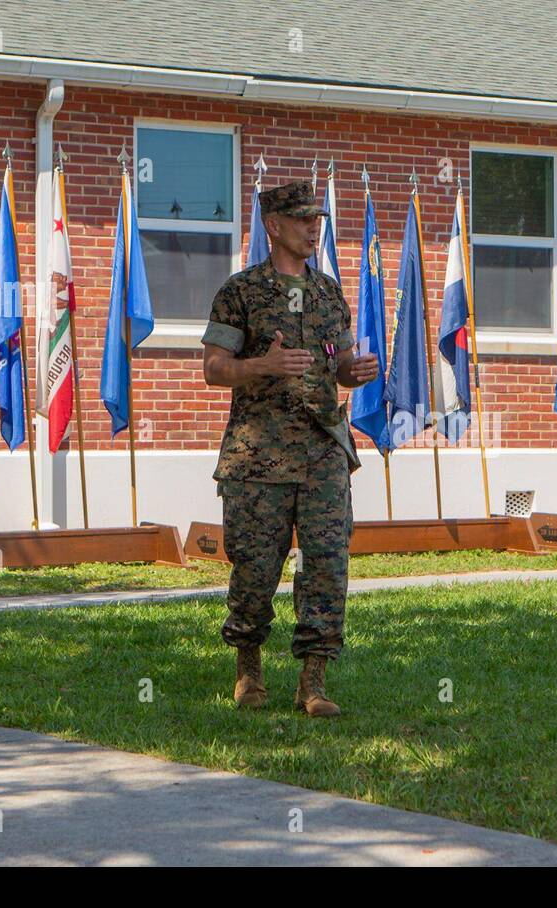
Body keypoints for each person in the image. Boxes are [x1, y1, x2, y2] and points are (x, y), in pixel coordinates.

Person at [201, 180, 379, 716]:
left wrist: (356, 372)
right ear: (273, 226)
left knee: (327, 564)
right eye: (302, 219)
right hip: (260, 456)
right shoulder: (240, 292)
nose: (313, 228)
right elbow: (213, 369)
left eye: (316, 219)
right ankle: (248, 670)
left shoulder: (327, 292)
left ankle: (313, 682)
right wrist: (263, 366)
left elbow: (341, 364)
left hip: (324, 451)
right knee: (255, 569)